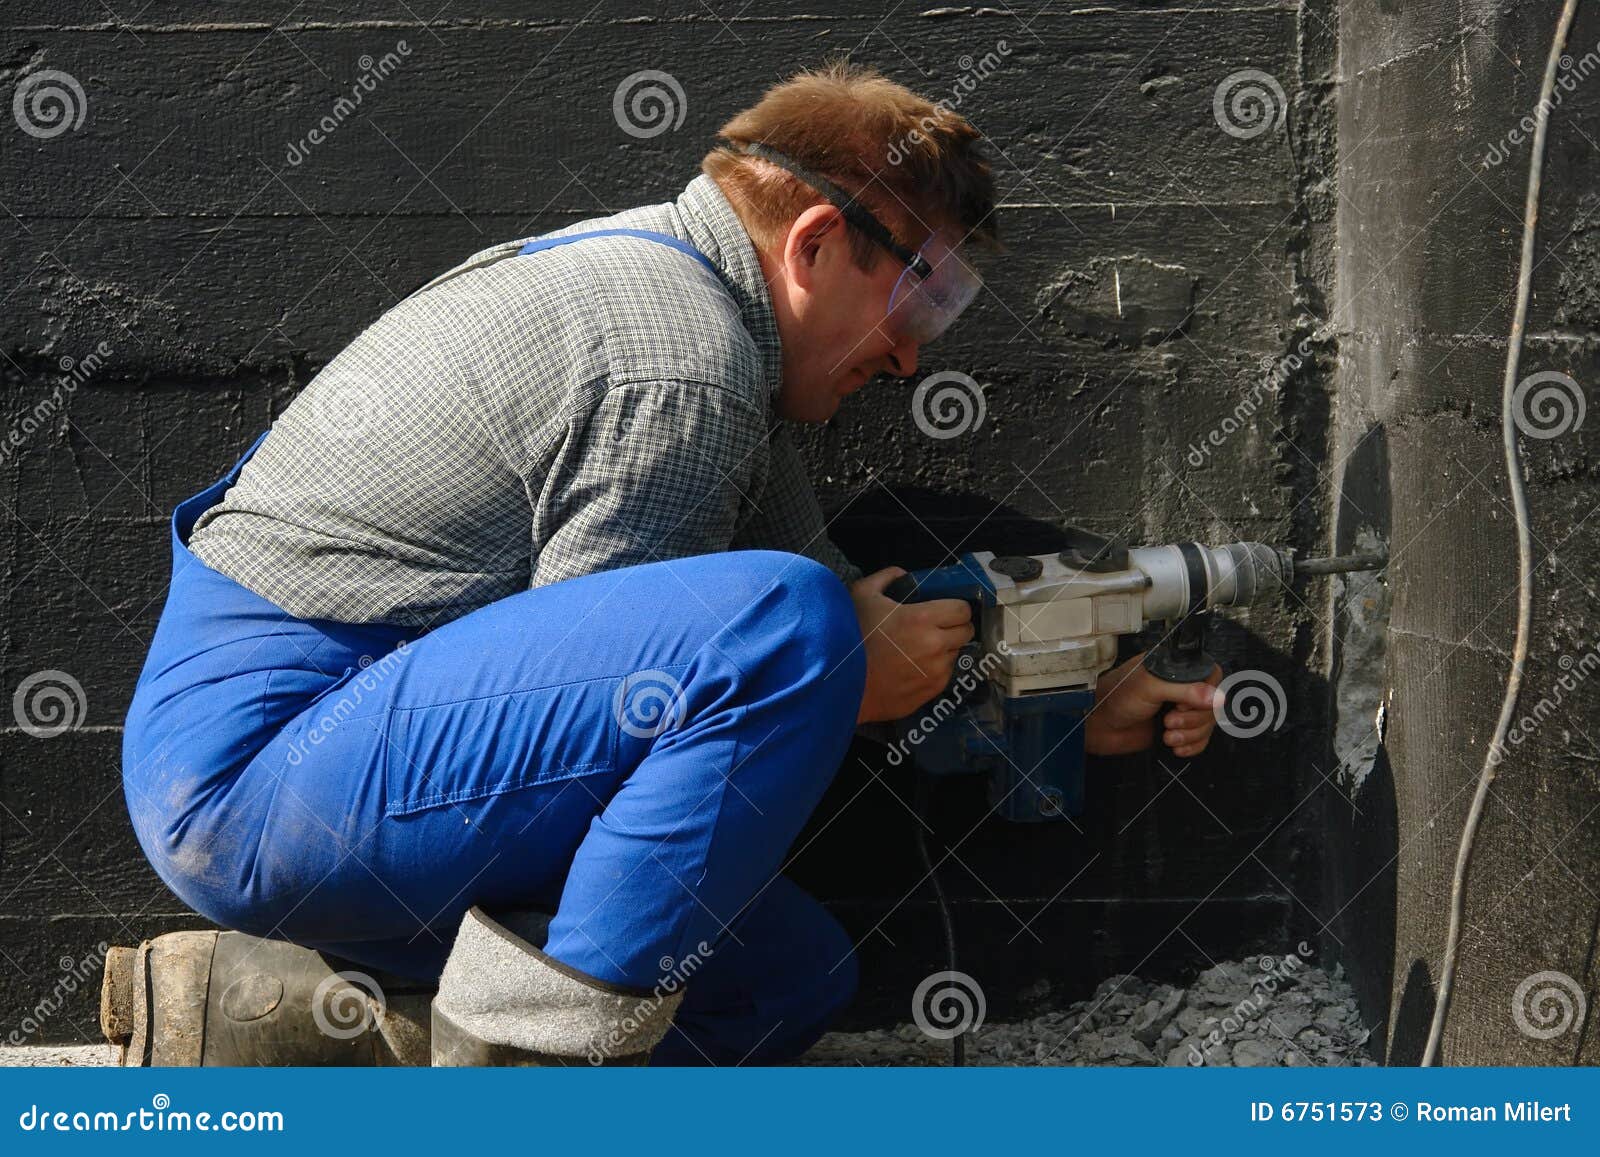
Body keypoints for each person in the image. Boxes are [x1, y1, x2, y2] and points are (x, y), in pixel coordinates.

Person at [121, 61, 1221, 1066]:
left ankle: (267, 1007)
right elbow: (668, 695)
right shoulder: (679, 360)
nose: (909, 354)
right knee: (783, 620)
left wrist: (1042, 703)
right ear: (814, 245)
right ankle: (530, 1088)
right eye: (920, 296)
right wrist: (845, 668)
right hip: (265, 767)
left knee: (783, 976)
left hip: (345, 759)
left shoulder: (707, 326)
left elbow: (831, 617)